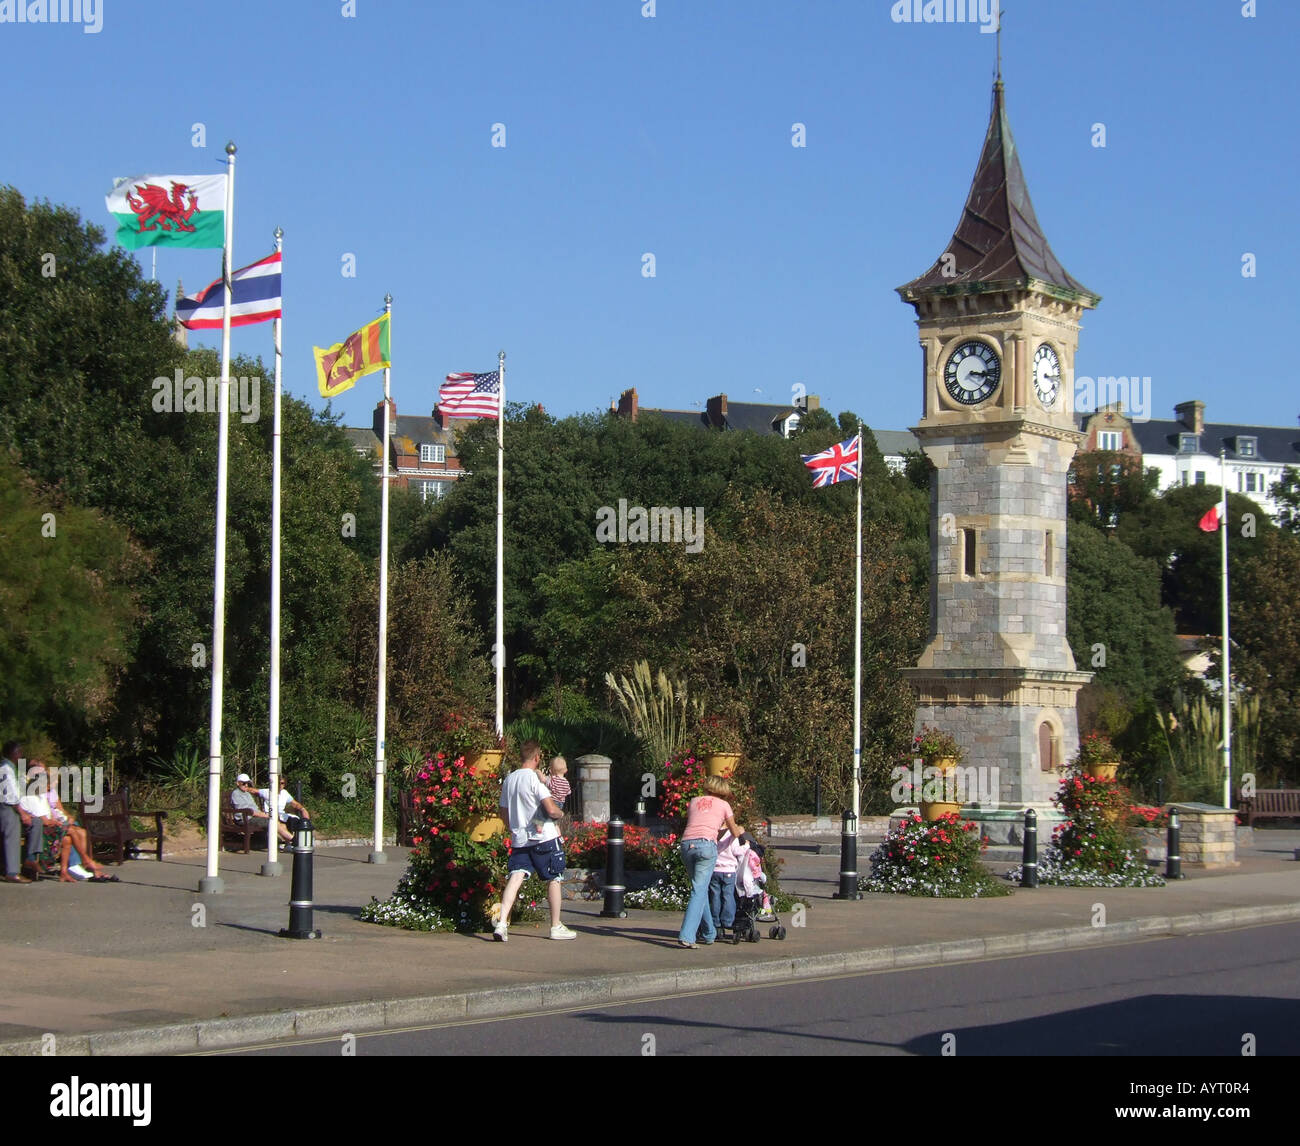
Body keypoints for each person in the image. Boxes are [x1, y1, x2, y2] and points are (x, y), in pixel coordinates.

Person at [493, 740, 576, 942]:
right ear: (537, 757)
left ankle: (502, 923)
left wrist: (515, 828)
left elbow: (503, 813)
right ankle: (556, 925)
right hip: (543, 837)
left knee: (516, 876)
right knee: (554, 877)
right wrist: (559, 813)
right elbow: (549, 808)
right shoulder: (534, 780)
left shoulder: (509, 780)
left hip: (520, 839)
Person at [678, 775, 745, 949]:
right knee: (699, 891)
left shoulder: (693, 801)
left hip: (686, 845)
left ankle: (709, 933)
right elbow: (734, 831)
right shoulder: (724, 805)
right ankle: (687, 935)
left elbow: (698, 822)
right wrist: (741, 831)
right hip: (706, 847)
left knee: (699, 890)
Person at [20, 761, 116, 882]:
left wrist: (58, 820)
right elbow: (43, 820)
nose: (47, 787)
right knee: (71, 831)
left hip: (50, 826)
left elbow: (53, 813)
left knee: (68, 838)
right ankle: (86, 860)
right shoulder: (30, 797)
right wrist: (55, 822)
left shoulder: (41, 796)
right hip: (43, 831)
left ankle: (65, 872)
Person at [1, 740, 39, 883]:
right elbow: (10, 795)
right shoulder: (5, 768)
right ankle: (12, 872)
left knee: (36, 822)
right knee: (12, 835)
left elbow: (19, 790)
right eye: (19, 752)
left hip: (13, 805)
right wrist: (22, 813)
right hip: (6, 806)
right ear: (13, 753)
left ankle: (29, 859)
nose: (21, 755)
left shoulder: (12, 768)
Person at [708, 828, 749, 940]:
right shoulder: (731, 834)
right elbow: (737, 851)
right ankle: (727, 920)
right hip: (729, 870)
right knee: (728, 895)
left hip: (715, 869)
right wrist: (746, 845)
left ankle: (715, 922)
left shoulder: (714, 832)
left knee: (715, 896)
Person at [256, 775, 310, 844]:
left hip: (282, 815)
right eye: (278, 783)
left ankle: (300, 840)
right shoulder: (267, 792)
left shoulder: (285, 793)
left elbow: (295, 803)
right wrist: (246, 788)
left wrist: (303, 809)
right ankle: (294, 842)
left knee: (295, 820)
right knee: (282, 823)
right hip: (270, 814)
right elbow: (253, 791)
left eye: (282, 783)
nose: (280, 785)